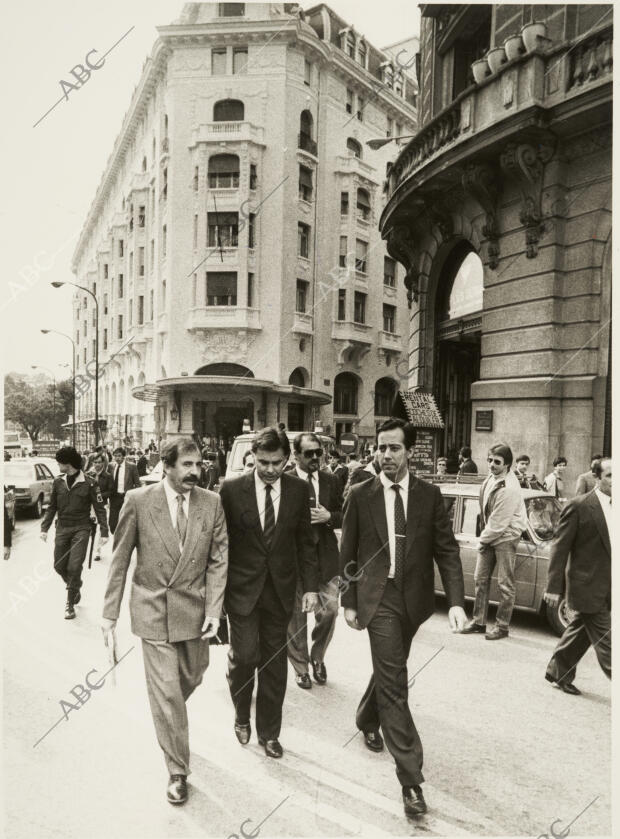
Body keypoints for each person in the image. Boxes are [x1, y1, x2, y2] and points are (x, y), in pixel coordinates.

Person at [339, 418, 466, 818]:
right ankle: (411, 780)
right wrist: (349, 600)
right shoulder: (361, 494)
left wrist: (458, 602)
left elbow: (446, 551)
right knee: (396, 684)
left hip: (414, 602)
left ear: (409, 451)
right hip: (378, 600)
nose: (386, 455)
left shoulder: (430, 495)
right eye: (381, 448)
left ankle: (365, 716)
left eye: (394, 448)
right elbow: (349, 551)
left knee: (389, 669)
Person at [101, 438, 228, 805]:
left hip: (194, 610)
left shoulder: (212, 502)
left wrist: (214, 610)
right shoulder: (139, 501)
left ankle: (170, 718)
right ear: (166, 465)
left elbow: (220, 560)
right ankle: (177, 771)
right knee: (169, 693)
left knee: (191, 676)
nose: (194, 471)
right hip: (152, 609)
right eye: (186, 464)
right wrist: (109, 613)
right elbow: (120, 559)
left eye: (198, 464)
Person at [219, 427, 319, 759]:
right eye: (263, 462)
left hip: (280, 592)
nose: (270, 469)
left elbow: (306, 543)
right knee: (245, 657)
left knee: (274, 667)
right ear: (253, 458)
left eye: (277, 462)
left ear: (287, 459)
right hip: (242, 592)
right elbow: (222, 545)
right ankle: (240, 713)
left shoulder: (298, 490)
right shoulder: (232, 490)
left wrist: (312, 588)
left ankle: (270, 733)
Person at [543, 458, 611, 694]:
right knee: (609, 644)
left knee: (581, 629)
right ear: (597, 478)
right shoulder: (579, 506)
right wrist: (553, 586)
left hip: (609, 585)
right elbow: (559, 548)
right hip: (588, 585)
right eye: (610, 476)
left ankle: (558, 671)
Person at [287, 433, 343, 689]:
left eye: (318, 453)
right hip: (295, 560)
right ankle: (300, 668)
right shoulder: (285, 480)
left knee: (330, 610)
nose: (314, 458)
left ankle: (317, 657)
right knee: (296, 618)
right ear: (296, 454)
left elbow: (346, 515)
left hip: (325, 558)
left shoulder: (332, 480)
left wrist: (329, 516)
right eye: (308, 453)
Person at [461, 443, 528, 640]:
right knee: (480, 579)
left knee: (505, 584)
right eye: (489, 460)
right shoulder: (492, 477)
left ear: (507, 465)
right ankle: (479, 622)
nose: (491, 465)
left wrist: (481, 541)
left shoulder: (508, 488)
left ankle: (502, 626)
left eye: (497, 462)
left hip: (505, 536)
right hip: (491, 532)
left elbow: (499, 524)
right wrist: (485, 536)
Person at [40, 447, 109, 619]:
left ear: (68, 463)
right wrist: (44, 528)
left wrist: (105, 531)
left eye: (59, 462)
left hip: (81, 529)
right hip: (62, 528)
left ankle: (69, 603)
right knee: (58, 565)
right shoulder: (58, 482)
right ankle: (75, 584)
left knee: (74, 565)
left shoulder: (90, 482)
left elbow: (100, 509)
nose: (58, 465)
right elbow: (52, 507)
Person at [108, 447, 141, 533]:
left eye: (119, 456)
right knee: (113, 524)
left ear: (123, 456)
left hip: (126, 497)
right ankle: (115, 535)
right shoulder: (111, 466)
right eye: (115, 456)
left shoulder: (131, 467)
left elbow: (137, 483)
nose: (117, 458)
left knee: (126, 521)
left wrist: (135, 497)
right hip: (114, 497)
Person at [88, 453, 114, 561]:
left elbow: (111, 491)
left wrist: (99, 496)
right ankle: (91, 546)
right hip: (89, 505)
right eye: (95, 462)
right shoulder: (88, 475)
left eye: (99, 462)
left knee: (99, 528)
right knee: (90, 527)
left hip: (101, 505)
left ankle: (97, 551)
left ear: (103, 463)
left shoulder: (108, 476)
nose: (97, 464)